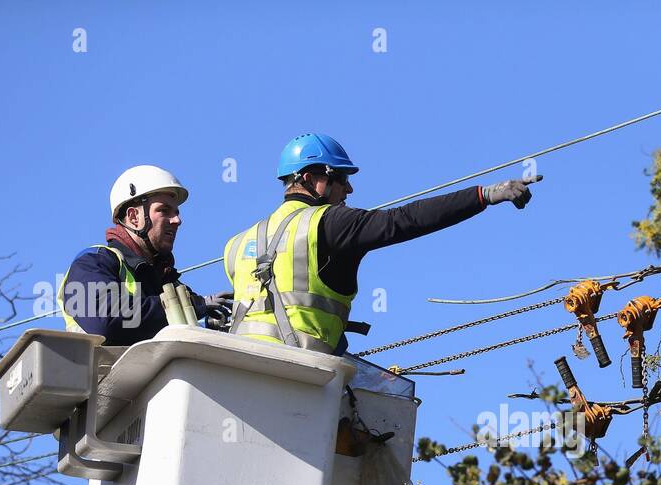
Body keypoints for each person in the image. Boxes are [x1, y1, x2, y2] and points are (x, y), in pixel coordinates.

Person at [223, 133, 540, 354]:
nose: (349, 189)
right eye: (342, 179)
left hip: (241, 371)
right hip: (302, 372)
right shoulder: (329, 222)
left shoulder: (236, 244)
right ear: (310, 179)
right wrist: (483, 195)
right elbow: (404, 220)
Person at [58, 165, 232, 346]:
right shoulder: (92, 263)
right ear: (134, 217)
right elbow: (106, 321)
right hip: (103, 373)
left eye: (176, 212)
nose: (177, 220)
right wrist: (187, 306)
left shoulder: (167, 282)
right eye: (164, 211)